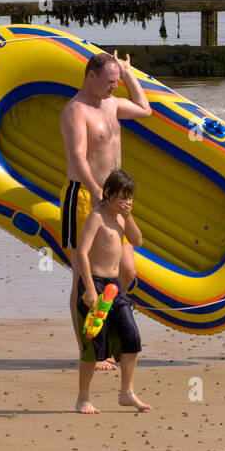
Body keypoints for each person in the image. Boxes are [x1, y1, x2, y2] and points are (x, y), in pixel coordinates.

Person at [60, 50, 151, 369]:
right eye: (110, 81)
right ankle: (91, 347)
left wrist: (128, 74)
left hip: (113, 198)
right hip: (85, 195)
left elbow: (144, 109)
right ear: (91, 76)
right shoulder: (76, 110)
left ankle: (107, 330)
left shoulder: (112, 104)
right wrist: (96, 189)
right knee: (83, 278)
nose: (115, 87)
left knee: (126, 271)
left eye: (117, 81)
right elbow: (78, 156)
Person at [74, 169, 150, 414]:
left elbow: (138, 241)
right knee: (93, 344)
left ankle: (127, 393)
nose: (127, 202)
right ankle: (83, 398)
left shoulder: (120, 219)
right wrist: (88, 289)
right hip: (94, 284)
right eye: (122, 197)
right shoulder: (97, 216)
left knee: (131, 338)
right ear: (107, 193)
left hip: (115, 287)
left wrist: (128, 217)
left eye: (130, 198)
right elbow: (82, 253)